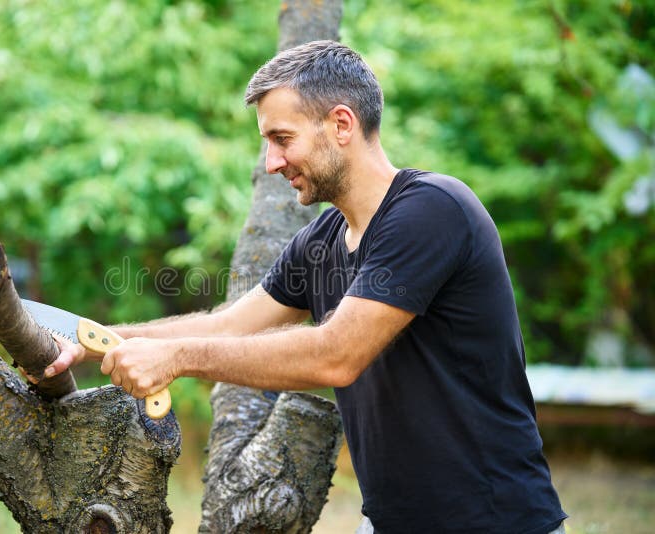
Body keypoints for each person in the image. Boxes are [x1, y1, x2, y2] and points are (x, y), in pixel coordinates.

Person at [42, 40, 567, 533]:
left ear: (341, 124)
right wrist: (91, 339)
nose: (272, 162)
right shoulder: (322, 240)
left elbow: (336, 355)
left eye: (282, 139)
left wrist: (177, 359)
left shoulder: (432, 210)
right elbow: (229, 326)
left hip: (494, 520)